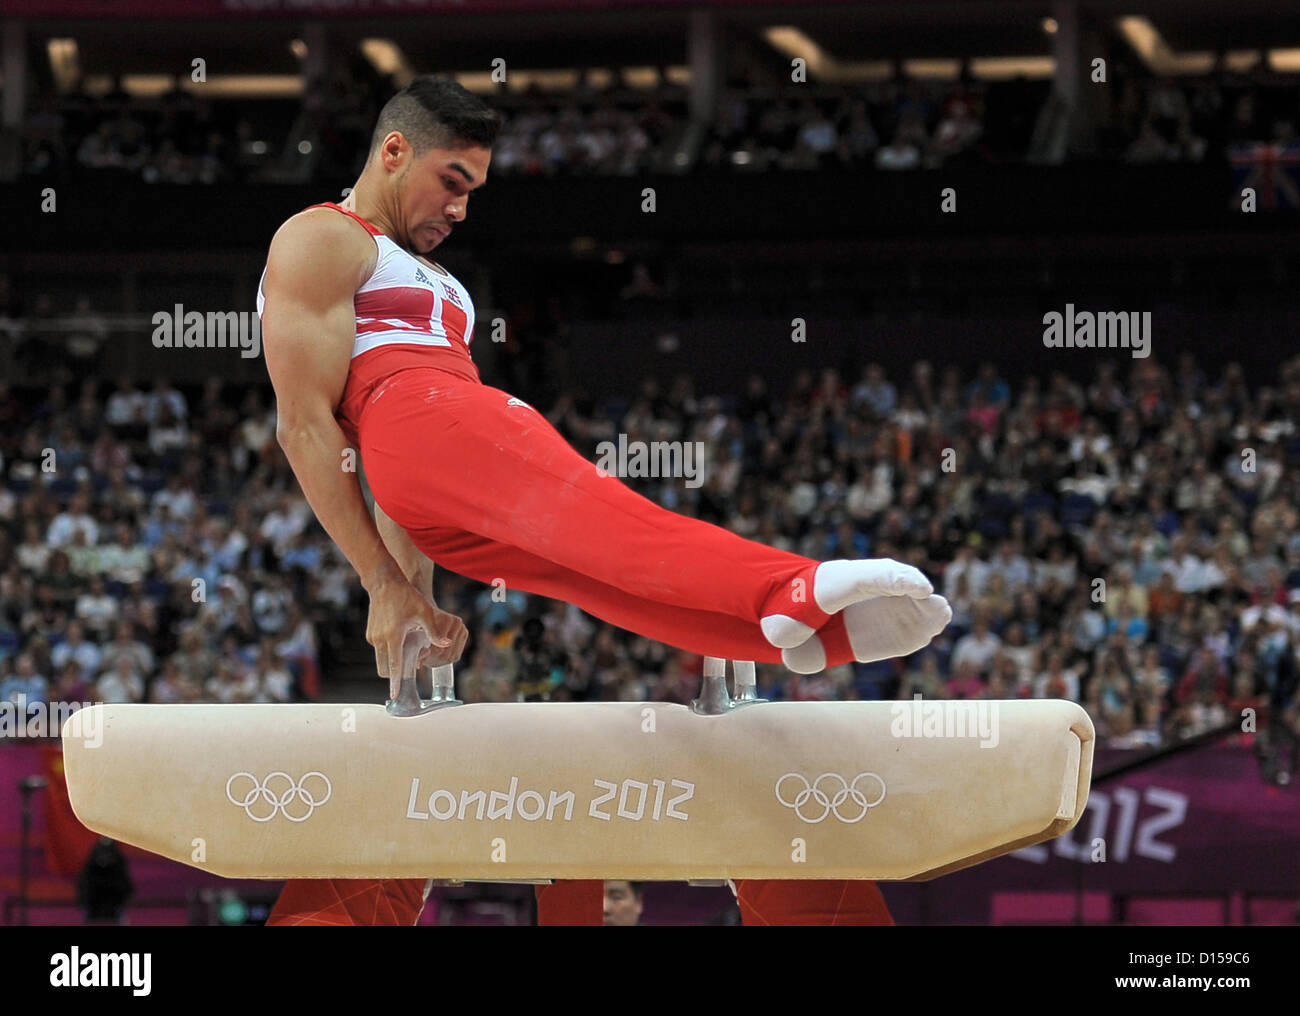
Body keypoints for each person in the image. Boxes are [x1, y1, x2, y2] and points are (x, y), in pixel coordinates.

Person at [259, 76, 949, 926]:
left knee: (602, 578)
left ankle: (787, 635)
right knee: (607, 519)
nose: (462, 210)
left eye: (475, 191)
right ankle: (788, 589)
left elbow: (406, 480)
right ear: (393, 151)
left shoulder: (434, 281)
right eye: (453, 182)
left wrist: (413, 594)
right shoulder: (321, 238)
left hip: (437, 463)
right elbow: (304, 426)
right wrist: (375, 580)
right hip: (419, 411)